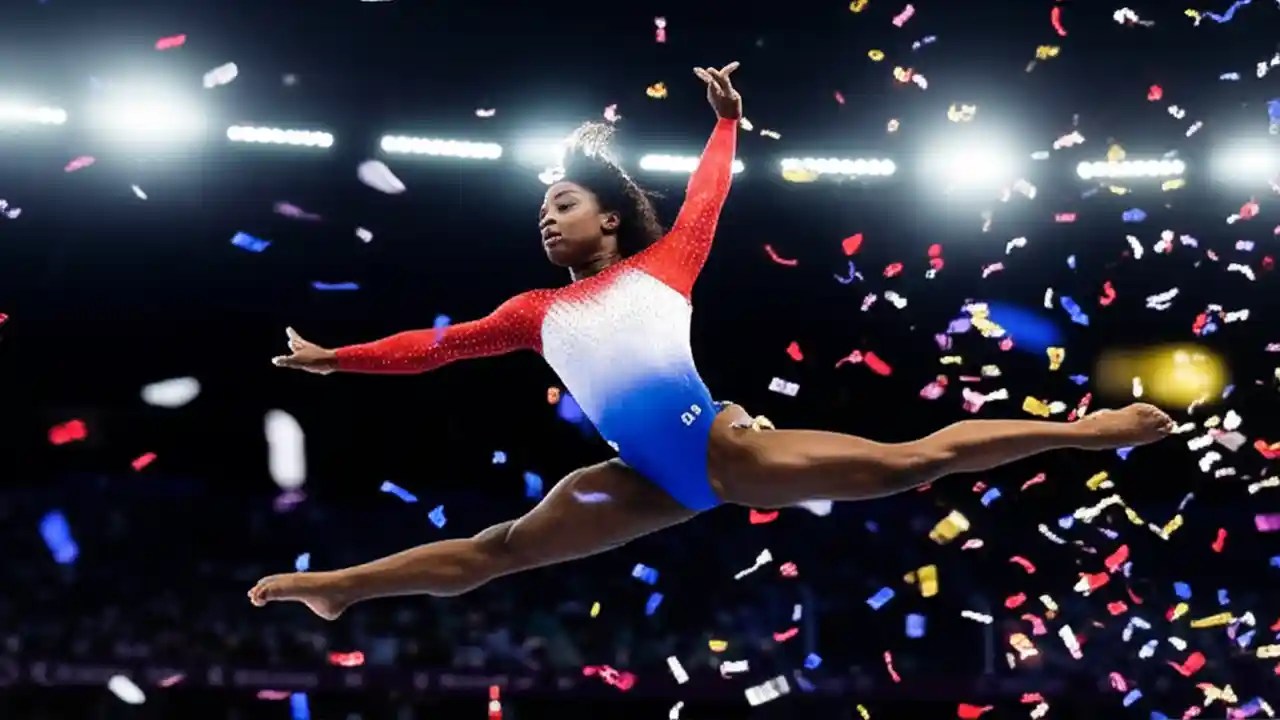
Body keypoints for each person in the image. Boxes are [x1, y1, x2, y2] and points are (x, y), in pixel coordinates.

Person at [249, 62, 1174, 620]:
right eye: (542, 208)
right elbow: (437, 348)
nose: (546, 218)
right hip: (643, 483)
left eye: (562, 204)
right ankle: (340, 587)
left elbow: (706, 198)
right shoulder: (534, 312)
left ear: (610, 220)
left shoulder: (662, 267)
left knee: (907, 464)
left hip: (718, 451)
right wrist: (339, 357)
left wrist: (727, 123)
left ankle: (1087, 432)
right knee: (498, 549)